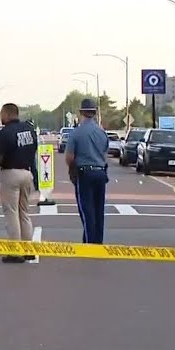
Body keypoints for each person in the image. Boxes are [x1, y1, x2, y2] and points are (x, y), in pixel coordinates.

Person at [0, 103, 39, 263]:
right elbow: (34, 151)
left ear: (6, 114)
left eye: (1, 114)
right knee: (24, 212)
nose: (0, 117)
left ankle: (15, 251)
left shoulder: (4, 134)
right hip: (27, 172)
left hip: (10, 173)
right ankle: (28, 249)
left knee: (11, 213)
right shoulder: (29, 130)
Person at [65, 97, 110, 244]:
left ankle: (90, 243)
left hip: (85, 174)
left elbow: (69, 157)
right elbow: (105, 155)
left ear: (81, 113)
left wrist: (73, 168)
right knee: (98, 210)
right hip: (100, 173)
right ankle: (98, 240)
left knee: (87, 211)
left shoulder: (76, 133)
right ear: (95, 113)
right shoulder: (102, 133)